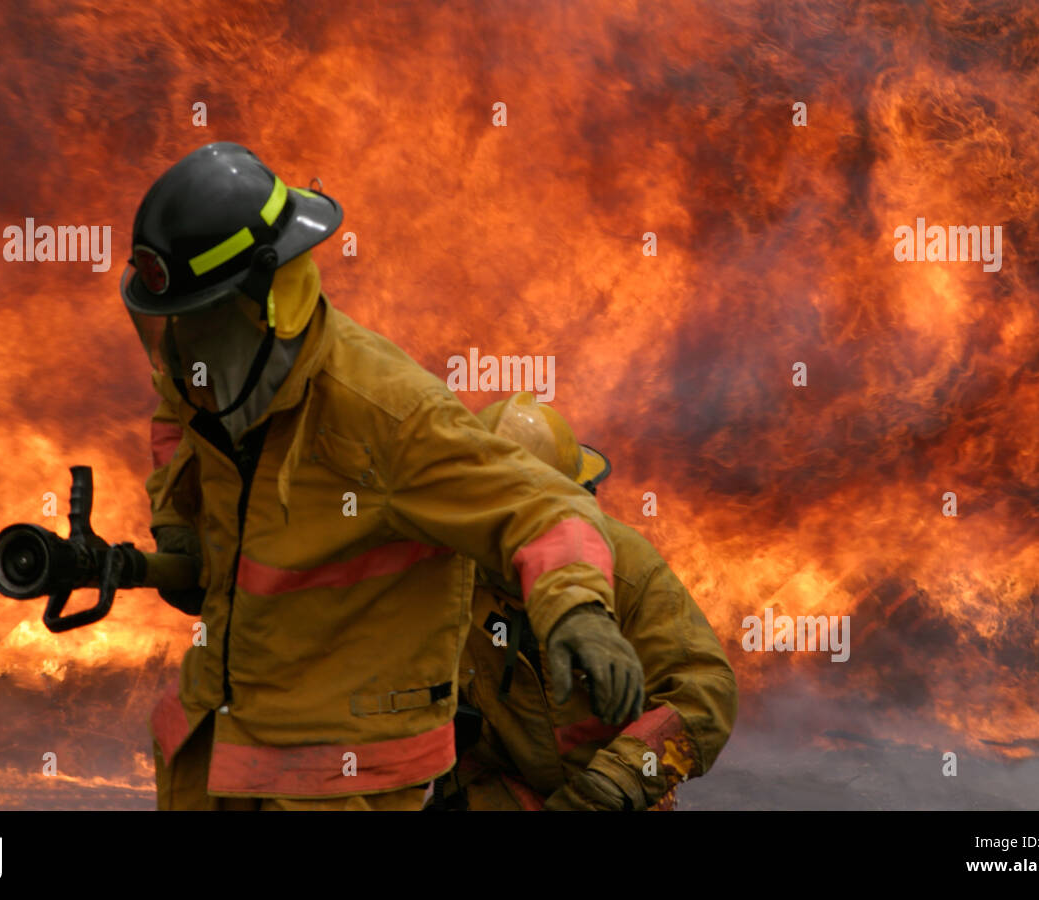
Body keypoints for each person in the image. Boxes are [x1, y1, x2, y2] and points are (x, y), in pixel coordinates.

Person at [126, 142, 645, 809]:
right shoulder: (215, 377)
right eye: (170, 325)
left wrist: (579, 611)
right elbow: (177, 425)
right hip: (212, 756)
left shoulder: (389, 413)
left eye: (197, 323)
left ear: (264, 296)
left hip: (333, 781)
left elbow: (541, 508)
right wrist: (178, 533)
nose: (177, 349)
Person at [437, 393, 738, 810]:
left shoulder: (628, 568)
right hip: (498, 792)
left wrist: (611, 786)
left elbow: (703, 690)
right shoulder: (446, 570)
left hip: (613, 796)